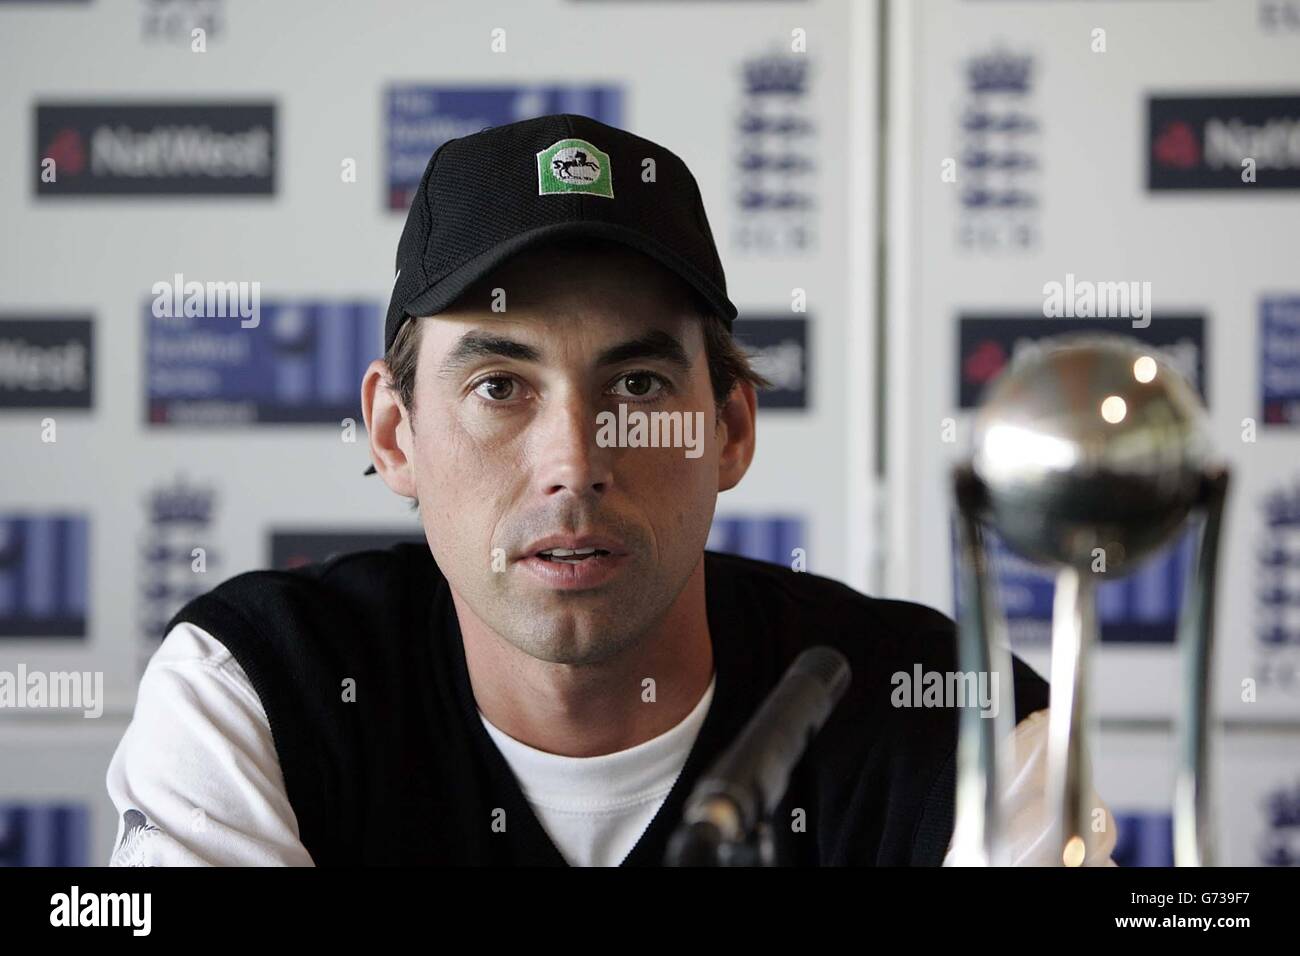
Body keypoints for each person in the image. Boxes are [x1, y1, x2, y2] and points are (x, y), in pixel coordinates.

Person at [106, 114, 1116, 866]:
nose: (574, 459)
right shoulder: (254, 691)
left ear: (727, 427)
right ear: (394, 433)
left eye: (636, 384)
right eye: (500, 386)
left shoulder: (953, 720)